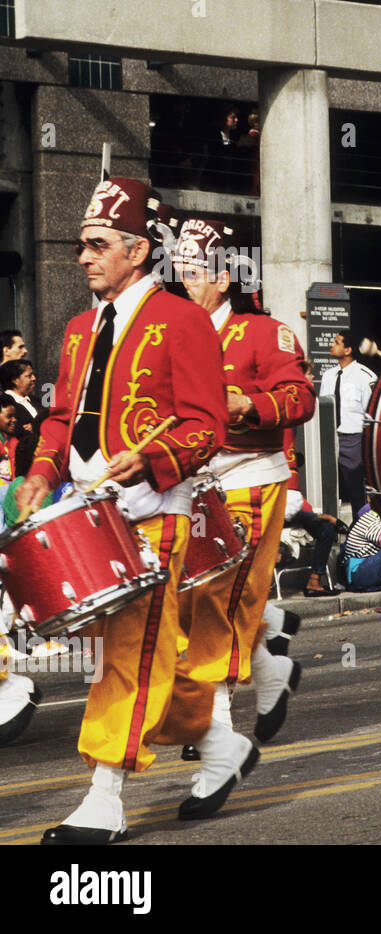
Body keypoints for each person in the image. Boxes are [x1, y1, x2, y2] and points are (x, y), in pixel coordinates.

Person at [14, 177, 238, 844]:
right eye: (82, 245)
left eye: (96, 245)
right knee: (131, 656)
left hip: (153, 510)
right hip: (88, 516)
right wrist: (39, 474)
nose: (82, 257)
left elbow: (206, 425)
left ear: (136, 250)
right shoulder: (81, 330)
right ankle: (220, 741)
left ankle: (105, 794)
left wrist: (151, 458)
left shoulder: (183, 319)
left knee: (128, 654)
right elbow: (60, 420)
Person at [171, 215, 315, 747]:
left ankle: (215, 724)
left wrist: (247, 405)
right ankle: (269, 670)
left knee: (219, 599)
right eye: (181, 271)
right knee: (188, 600)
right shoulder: (172, 337)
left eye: (196, 272)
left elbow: (301, 398)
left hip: (249, 478)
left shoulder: (261, 332)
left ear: (225, 277)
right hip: (187, 487)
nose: (186, 281)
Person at [319, 329, 376, 522]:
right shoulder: (328, 375)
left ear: (348, 349)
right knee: (327, 492)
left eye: (336, 342)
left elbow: (372, 414)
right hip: (329, 439)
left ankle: (361, 533)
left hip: (353, 440)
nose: (331, 345)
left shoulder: (365, 376)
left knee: (356, 493)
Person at [1, 358, 40, 432]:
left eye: (33, 375)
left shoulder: (36, 401)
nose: (34, 378)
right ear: (15, 380)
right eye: (29, 375)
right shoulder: (4, 403)